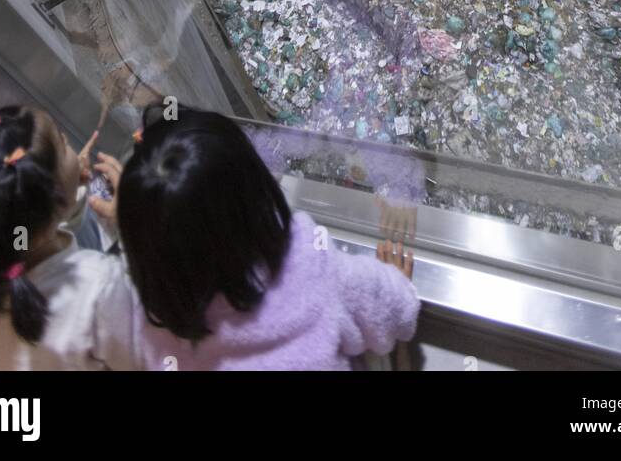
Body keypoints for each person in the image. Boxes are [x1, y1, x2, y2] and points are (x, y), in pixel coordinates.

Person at [113, 104, 420, 370]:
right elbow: (398, 315)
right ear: (258, 190)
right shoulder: (311, 266)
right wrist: (398, 281)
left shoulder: (148, 332)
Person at [0, 105, 175, 370]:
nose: (67, 139)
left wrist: (67, 195)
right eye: (61, 142)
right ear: (47, 204)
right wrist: (132, 224)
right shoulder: (98, 287)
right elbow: (156, 341)